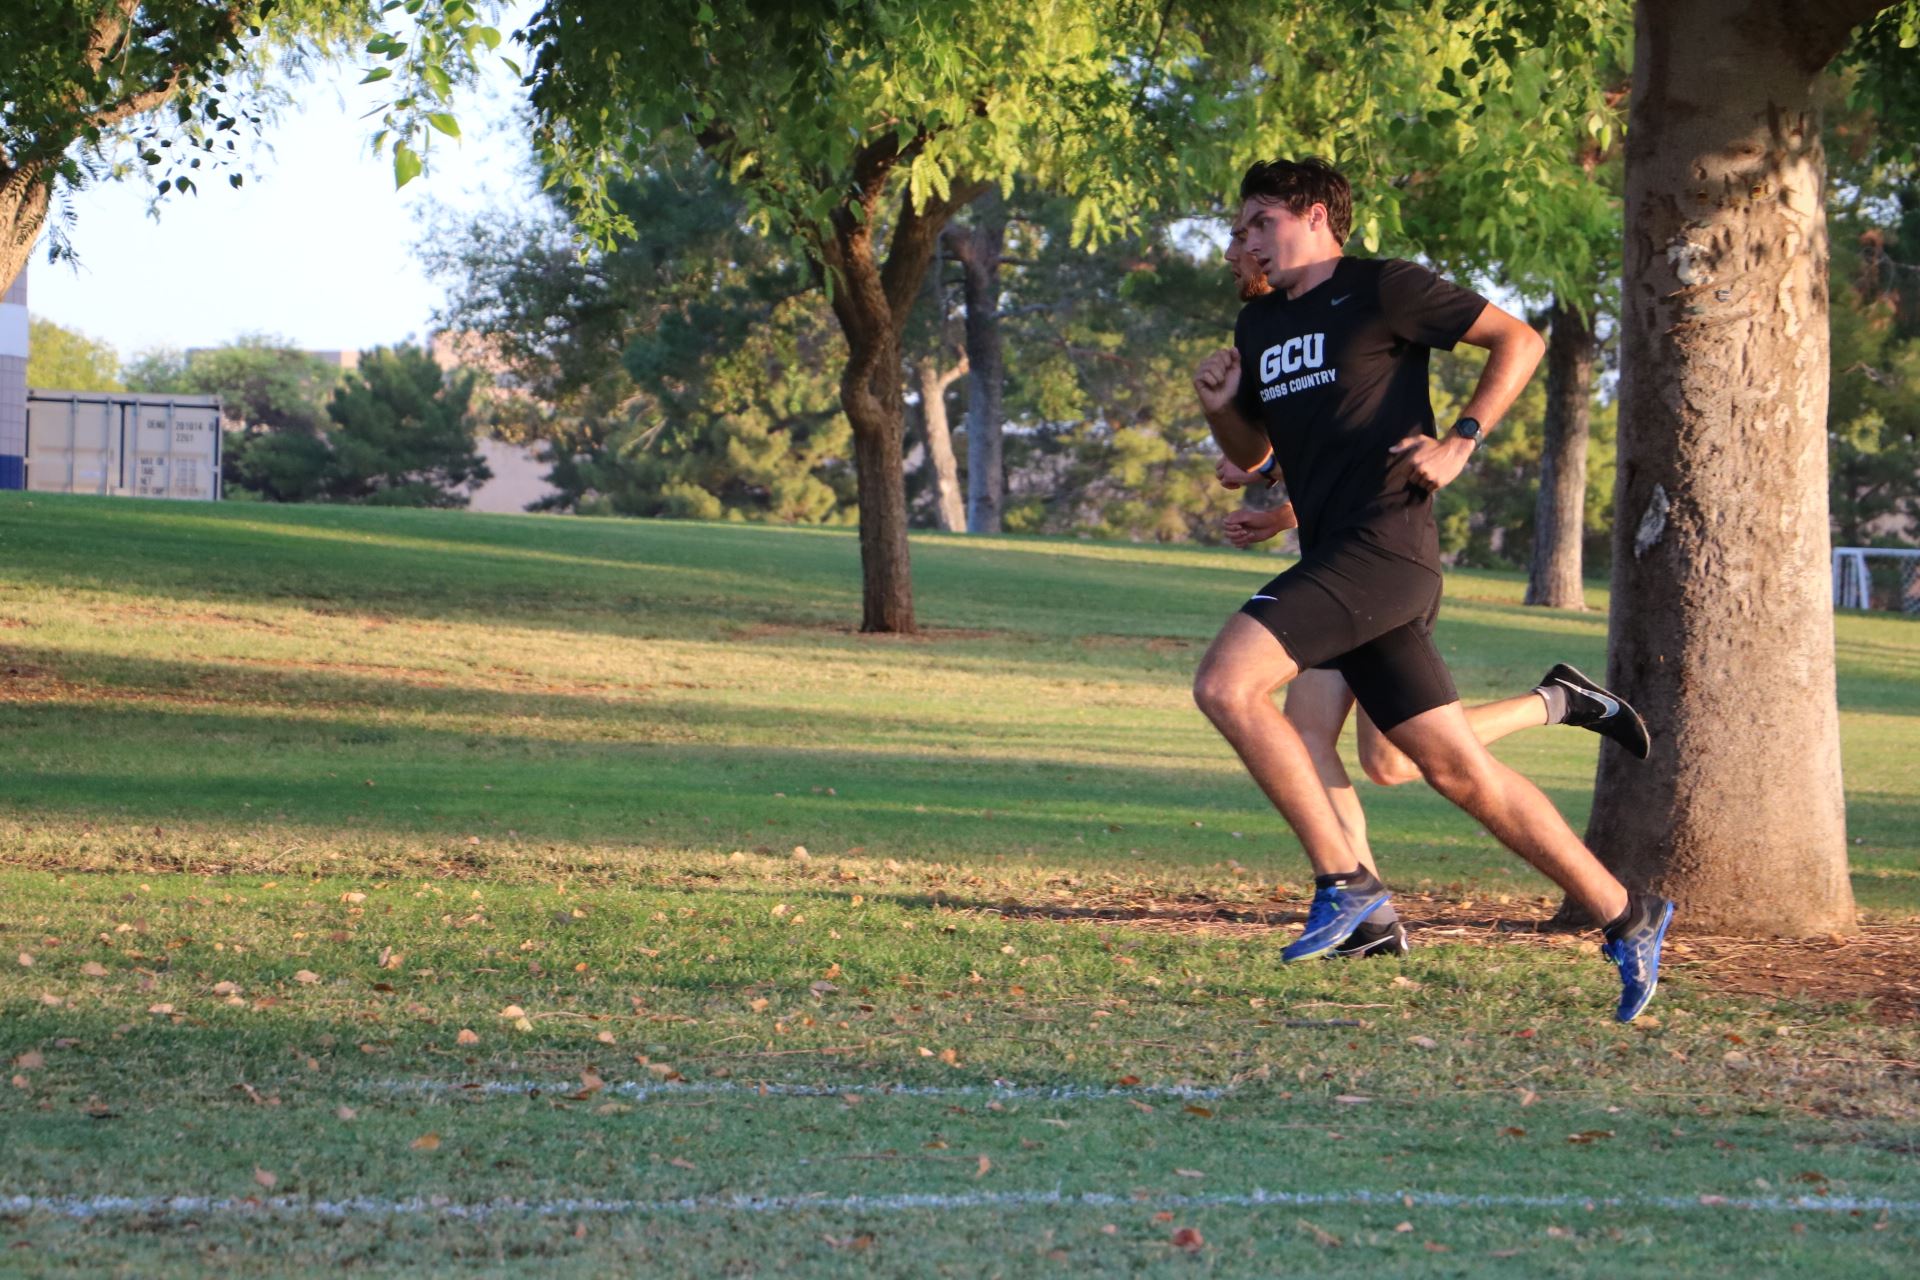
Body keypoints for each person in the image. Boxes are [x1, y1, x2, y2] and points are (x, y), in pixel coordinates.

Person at [1190, 158, 1671, 1021]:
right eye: (1242, 227)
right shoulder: (1259, 323)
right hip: (1339, 555)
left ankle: (1347, 885)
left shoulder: (1384, 288)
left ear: (1314, 216)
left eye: (1261, 221)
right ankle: (1627, 914)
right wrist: (1223, 404)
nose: (1247, 241)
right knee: (1449, 769)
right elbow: (1258, 454)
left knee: (1227, 684)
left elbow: (1520, 339)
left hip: (1384, 551)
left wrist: (1462, 438)